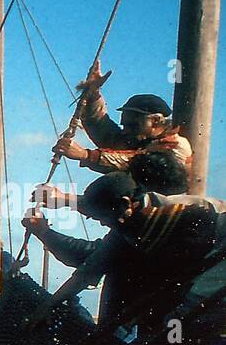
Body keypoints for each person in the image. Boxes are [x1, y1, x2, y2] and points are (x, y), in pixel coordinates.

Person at [24, 171, 223, 330]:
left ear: (126, 205)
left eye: (103, 218)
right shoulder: (127, 223)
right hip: (193, 280)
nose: (102, 223)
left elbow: (190, 287)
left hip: (216, 270)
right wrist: (50, 304)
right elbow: (89, 269)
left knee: (177, 322)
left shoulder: (186, 214)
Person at [55, 65, 192, 177]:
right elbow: (99, 125)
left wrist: (86, 155)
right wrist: (93, 93)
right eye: (124, 125)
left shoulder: (175, 145)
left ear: (156, 121)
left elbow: (137, 163)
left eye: (132, 125)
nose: (126, 130)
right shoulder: (134, 140)